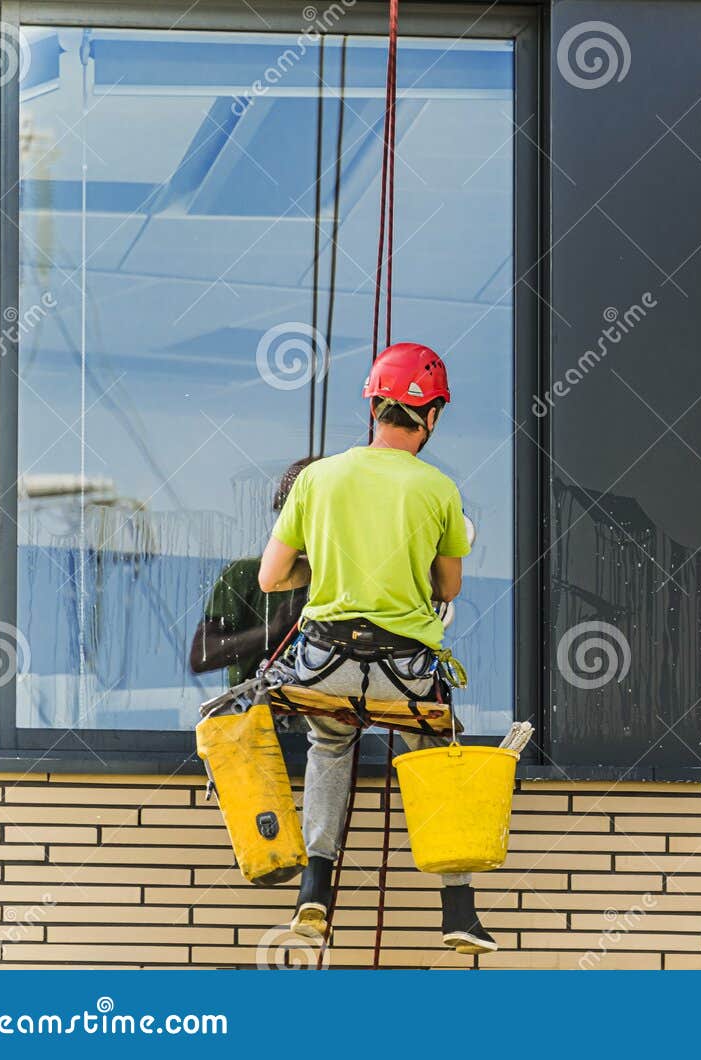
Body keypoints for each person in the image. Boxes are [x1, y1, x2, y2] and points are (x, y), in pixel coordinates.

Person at [256, 341, 494, 955]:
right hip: (402, 669)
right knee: (438, 758)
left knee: (329, 745)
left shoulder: (317, 477)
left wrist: (332, 566)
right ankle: (458, 913)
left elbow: (271, 578)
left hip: (324, 661)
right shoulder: (438, 488)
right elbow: (448, 587)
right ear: (431, 415)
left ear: (374, 406)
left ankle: (315, 893)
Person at [189, 458, 313, 688]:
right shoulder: (246, 574)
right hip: (259, 716)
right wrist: (273, 630)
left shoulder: (351, 577)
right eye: (289, 510)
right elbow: (203, 655)